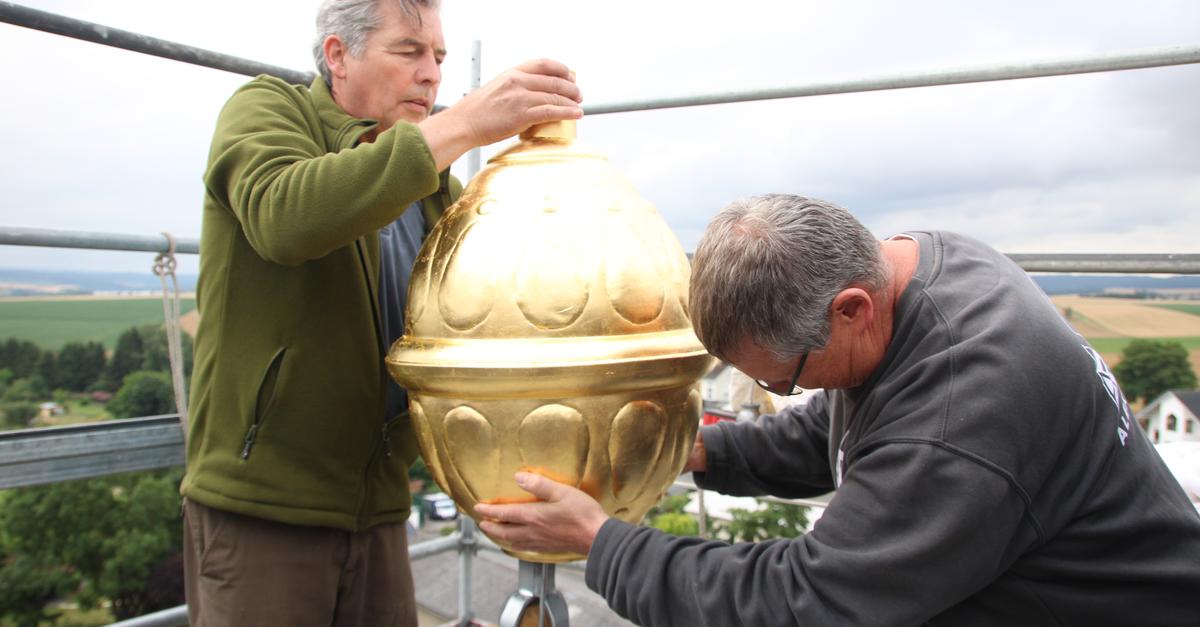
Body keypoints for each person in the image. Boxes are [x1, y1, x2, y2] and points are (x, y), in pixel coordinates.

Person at [475, 194, 1200, 626]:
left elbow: (806, 605)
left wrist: (604, 543)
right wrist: (701, 451)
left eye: (789, 380)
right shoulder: (922, 268)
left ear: (850, 307)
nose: (793, 394)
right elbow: (852, 424)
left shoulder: (959, 419)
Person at [179, 0, 582, 624]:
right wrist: (467, 125)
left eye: (440, 58)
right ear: (338, 55)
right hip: (264, 510)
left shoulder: (428, 182)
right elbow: (284, 218)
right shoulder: (268, 109)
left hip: (379, 510)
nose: (432, 75)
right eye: (409, 51)